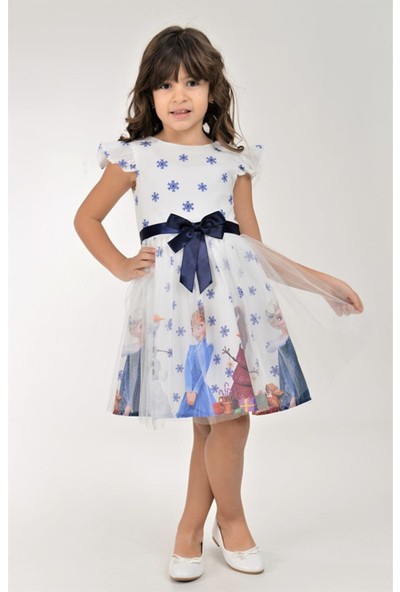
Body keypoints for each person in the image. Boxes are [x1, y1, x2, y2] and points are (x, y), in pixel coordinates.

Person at [74, 25, 364, 583]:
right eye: (165, 85)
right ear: (148, 94)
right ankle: (222, 523)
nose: (178, 96)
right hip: (173, 308)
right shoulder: (135, 157)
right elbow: (86, 218)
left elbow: (254, 246)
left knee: (225, 419)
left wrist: (321, 283)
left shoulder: (234, 160)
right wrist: (119, 264)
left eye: (192, 82)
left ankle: (201, 526)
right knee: (213, 420)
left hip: (233, 304)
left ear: (214, 89)